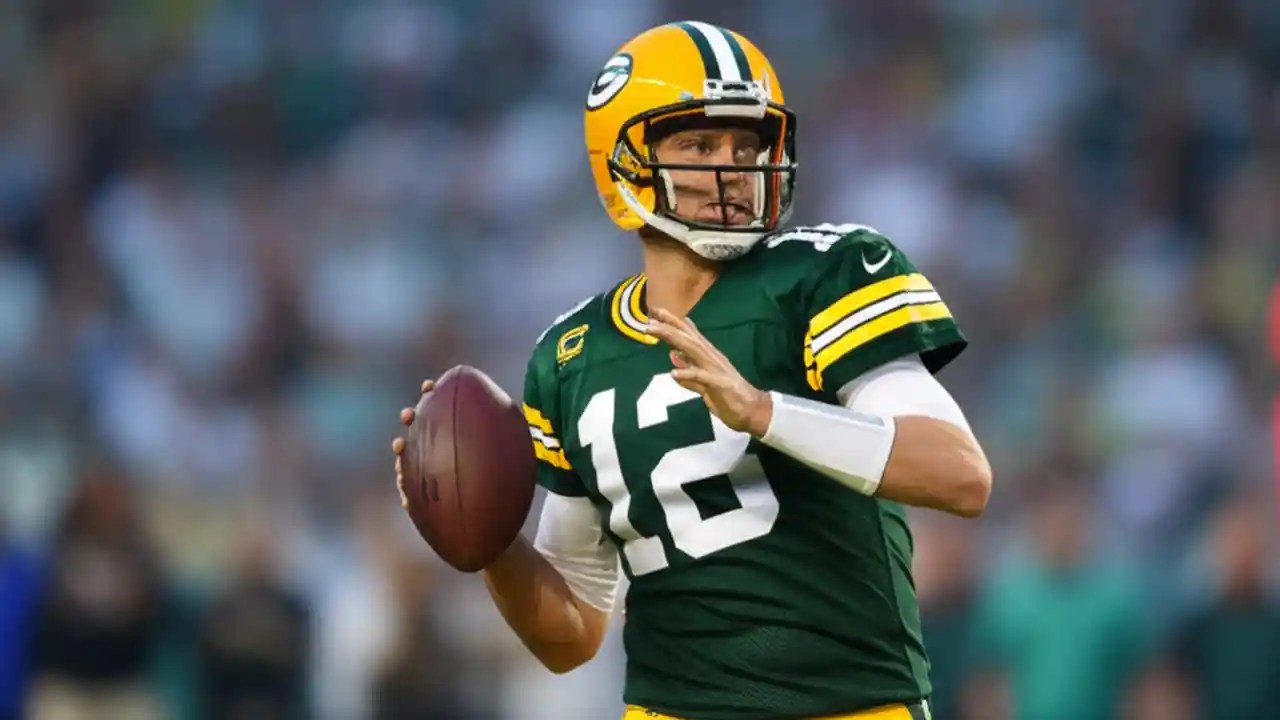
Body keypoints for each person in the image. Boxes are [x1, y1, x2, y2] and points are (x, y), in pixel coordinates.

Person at [392, 21, 991, 720]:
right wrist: (489, 544)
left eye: (747, 144)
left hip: (848, 706)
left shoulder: (823, 273)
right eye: (700, 143)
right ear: (624, 161)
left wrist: (764, 412)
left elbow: (961, 474)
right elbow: (573, 633)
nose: (731, 167)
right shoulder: (571, 354)